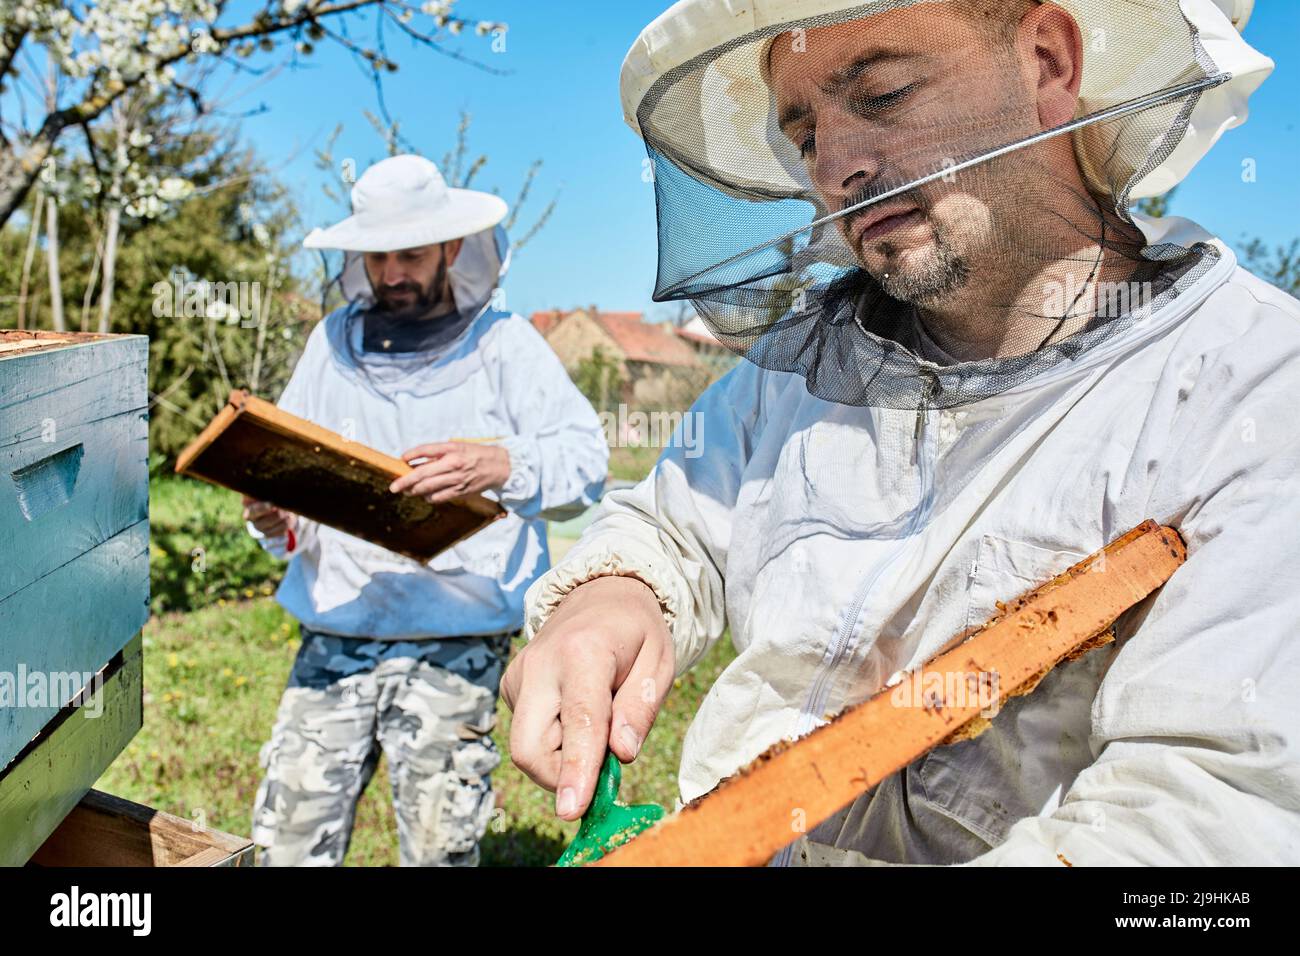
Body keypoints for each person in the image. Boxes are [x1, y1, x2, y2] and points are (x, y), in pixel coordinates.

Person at [505, 0, 1300, 865]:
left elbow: (1218, 814)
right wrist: (610, 596)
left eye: (881, 94)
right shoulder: (785, 379)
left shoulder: (1252, 389)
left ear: (1047, 65)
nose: (840, 166)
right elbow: (673, 522)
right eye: (805, 137)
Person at [244, 154, 609, 866]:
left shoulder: (505, 346)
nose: (392, 274)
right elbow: (294, 486)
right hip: (336, 631)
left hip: (456, 639)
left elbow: (586, 461)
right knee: (285, 842)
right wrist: (271, 519)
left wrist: (505, 463)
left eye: (410, 255)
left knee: (439, 849)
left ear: (450, 248)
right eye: (377, 258)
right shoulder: (329, 346)